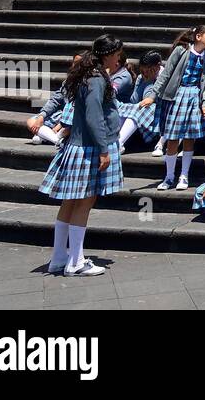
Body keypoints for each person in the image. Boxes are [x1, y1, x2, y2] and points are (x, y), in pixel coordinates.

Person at [38, 35, 125, 277]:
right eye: (117, 53)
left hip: (77, 146)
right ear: (108, 54)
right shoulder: (97, 77)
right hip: (89, 148)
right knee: (84, 203)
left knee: (70, 202)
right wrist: (104, 149)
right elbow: (94, 116)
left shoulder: (87, 74)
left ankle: (59, 257)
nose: (119, 57)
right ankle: (75, 261)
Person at [152, 25, 205, 192]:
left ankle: (184, 175)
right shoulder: (181, 51)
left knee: (189, 138)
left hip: (195, 96)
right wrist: (153, 95)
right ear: (198, 37)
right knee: (172, 138)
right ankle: (169, 175)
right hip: (177, 95)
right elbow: (166, 73)